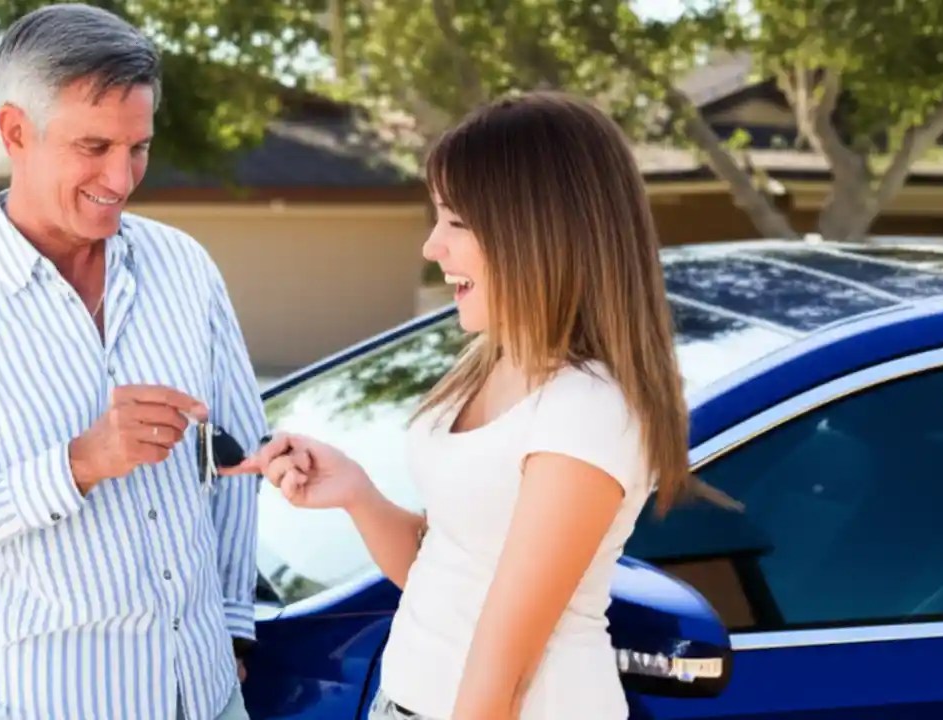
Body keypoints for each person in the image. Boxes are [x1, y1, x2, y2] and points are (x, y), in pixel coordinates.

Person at [231, 91, 695, 719]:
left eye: (456, 222)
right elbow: (448, 570)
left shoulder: (587, 411)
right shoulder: (492, 360)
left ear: (535, 233)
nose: (431, 247)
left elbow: (501, 677)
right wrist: (357, 494)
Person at [0, 5, 265, 719]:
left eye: (138, 147)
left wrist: (234, 623)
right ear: (16, 132)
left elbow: (237, 460)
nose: (121, 177)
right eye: (95, 146)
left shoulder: (185, 267)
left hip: (208, 697)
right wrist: (76, 465)